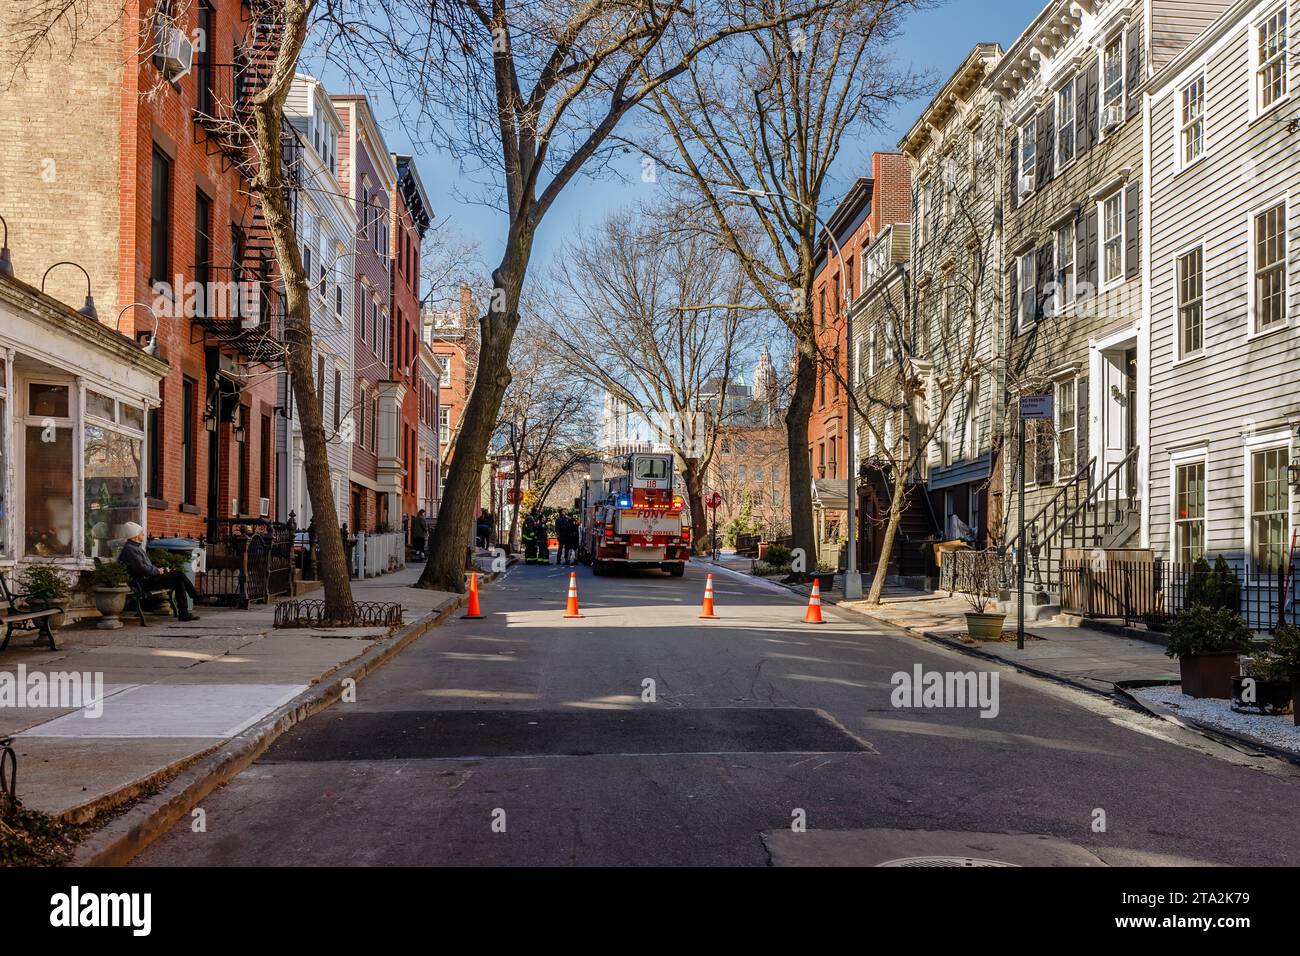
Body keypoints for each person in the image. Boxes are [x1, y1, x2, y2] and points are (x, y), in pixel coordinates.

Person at [117, 522, 200, 622]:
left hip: (148, 579)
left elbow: (145, 567)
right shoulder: (130, 549)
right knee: (179, 575)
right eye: (141, 532)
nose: (143, 534)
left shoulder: (134, 547)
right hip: (142, 582)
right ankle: (195, 596)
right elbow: (141, 568)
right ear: (134, 535)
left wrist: (160, 570)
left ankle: (184, 614)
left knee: (178, 581)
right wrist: (157, 571)